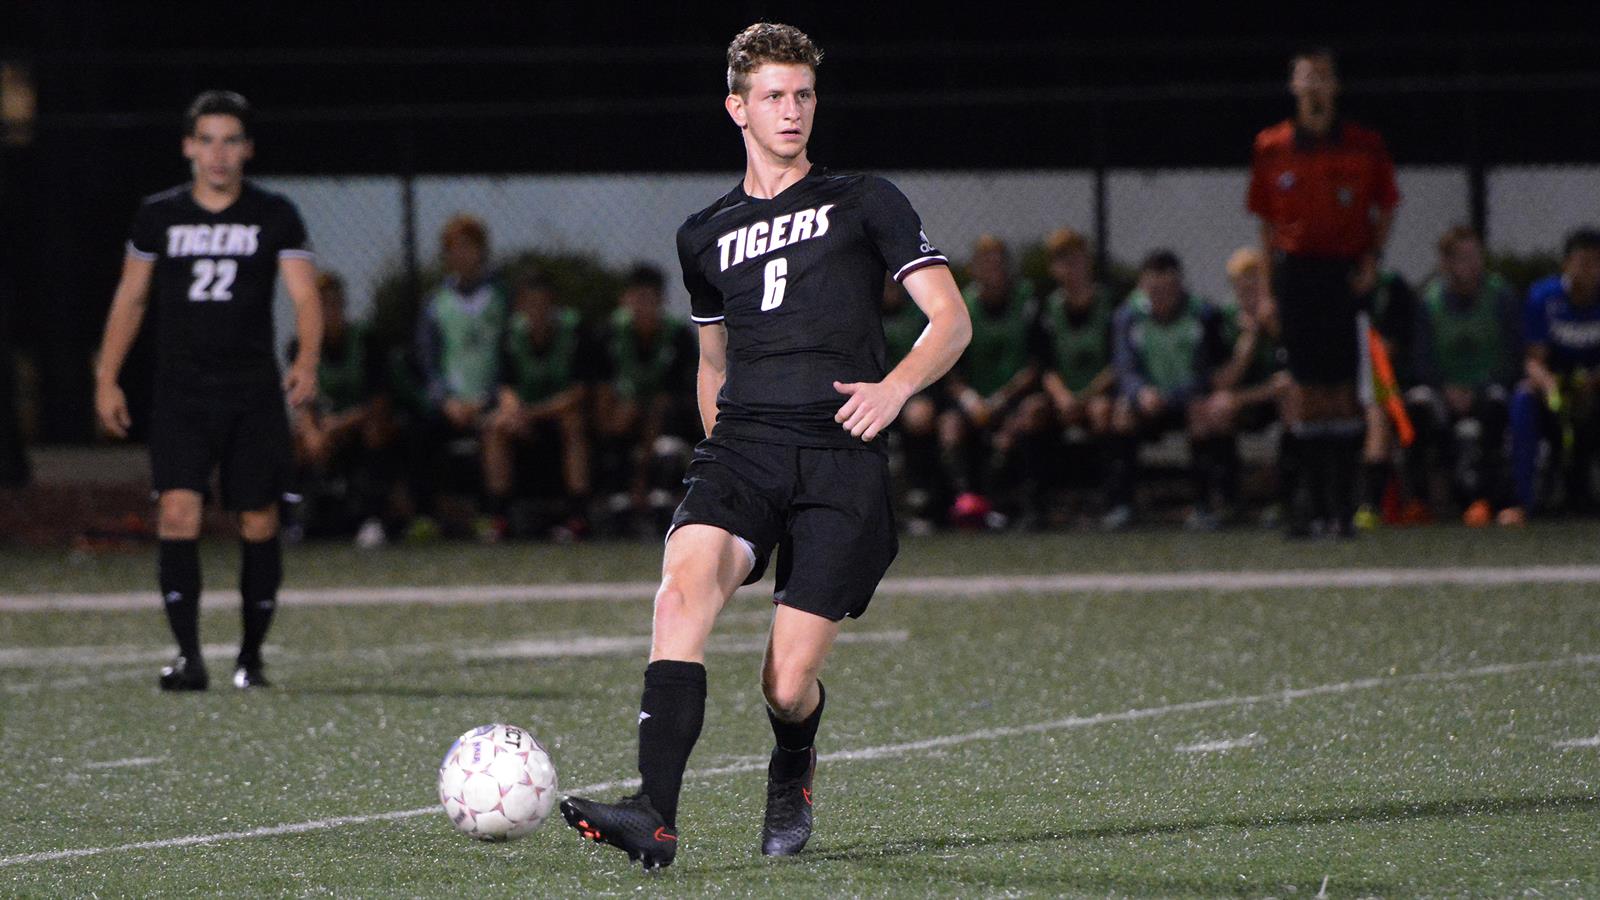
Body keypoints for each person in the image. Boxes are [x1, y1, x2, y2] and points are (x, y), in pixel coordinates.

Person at [559, 22, 970, 869]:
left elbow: (951, 319)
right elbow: (712, 360)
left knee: (785, 686)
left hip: (838, 456)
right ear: (736, 107)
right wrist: (720, 452)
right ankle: (654, 814)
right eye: (775, 96)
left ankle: (793, 761)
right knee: (680, 596)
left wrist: (895, 388)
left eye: (804, 94)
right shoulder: (703, 233)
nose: (792, 111)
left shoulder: (865, 198)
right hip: (744, 448)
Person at [92, 90, 320, 690]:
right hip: (181, 392)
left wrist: (309, 359)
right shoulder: (158, 215)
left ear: (247, 149)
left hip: (251, 392)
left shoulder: (275, 214)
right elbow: (132, 297)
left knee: (258, 519)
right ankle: (189, 657)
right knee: (177, 510)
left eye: (231, 140)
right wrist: (106, 376)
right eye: (208, 139)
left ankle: (250, 656)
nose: (219, 154)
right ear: (189, 146)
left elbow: (304, 294)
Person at [1247, 47, 1399, 537]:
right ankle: (1311, 505)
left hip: (1344, 275)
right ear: (1293, 86)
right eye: (1305, 77)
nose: (1314, 86)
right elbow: (1267, 226)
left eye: (1323, 77)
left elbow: (1386, 204)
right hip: (1298, 277)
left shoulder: (1364, 145)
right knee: (1307, 392)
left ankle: (1345, 507)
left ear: (1335, 87)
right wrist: (1268, 293)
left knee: (1346, 392)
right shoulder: (1271, 146)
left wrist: (1372, 259)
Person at [1102, 250, 1230, 530]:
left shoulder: (1202, 314)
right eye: (1153, 289)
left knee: (1204, 414)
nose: (1160, 296)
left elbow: (1209, 371)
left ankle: (1204, 505)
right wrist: (1141, 393)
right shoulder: (1127, 316)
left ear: (1179, 285)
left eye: (1168, 288)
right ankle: (1122, 504)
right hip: (1147, 401)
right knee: (1122, 413)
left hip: (1187, 400)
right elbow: (1123, 367)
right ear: (1142, 287)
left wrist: (1176, 396)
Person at [1415, 225, 1521, 526]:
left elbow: (1514, 356)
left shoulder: (1500, 296)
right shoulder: (1430, 301)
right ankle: (1425, 501)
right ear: (1446, 263)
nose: (1472, 264)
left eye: (1476, 256)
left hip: (1487, 388)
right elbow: (1421, 361)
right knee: (1419, 408)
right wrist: (1446, 389)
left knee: (1497, 406)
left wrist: (1478, 388)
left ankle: (1491, 499)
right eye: (1463, 257)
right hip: (1444, 391)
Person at [289, 271, 402, 548]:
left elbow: (378, 404)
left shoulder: (366, 341)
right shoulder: (299, 347)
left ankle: (372, 518)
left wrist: (337, 425)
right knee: (297, 441)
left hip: (359, 423)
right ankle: (298, 519)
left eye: (333, 304)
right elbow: (302, 403)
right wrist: (313, 433)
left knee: (375, 432)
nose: (328, 312)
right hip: (325, 427)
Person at [412, 214, 509, 538]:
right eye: (453, 249)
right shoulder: (435, 303)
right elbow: (428, 360)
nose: (461, 255)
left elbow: (507, 354)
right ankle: (425, 515)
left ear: (481, 251)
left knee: (496, 431)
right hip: (450, 403)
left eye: (468, 247)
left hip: (489, 398)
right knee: (420, 432)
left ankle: (491, 516)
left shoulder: (500, 299)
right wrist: (446, 401)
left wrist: (490, 397)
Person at [481, 273, 597, 540]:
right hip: (524, 416)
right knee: (495, 426)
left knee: (574, 424)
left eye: (543, 304)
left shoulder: (573, 333)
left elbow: (578, 392)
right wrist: (514, 411)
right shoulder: (511, 335)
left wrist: (532, 413)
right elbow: (504, 386)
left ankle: (577, 517)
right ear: (521, 307)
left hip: (557, 414)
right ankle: (499, 518)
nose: (538, 311)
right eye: (531, 305)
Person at [591, 263, 698, 535]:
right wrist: (609, 426)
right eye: (637, 298)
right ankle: (615, 504)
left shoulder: (678, 337)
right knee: (611, 432)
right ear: (624, 299)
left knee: (667, 436)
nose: (642, 307)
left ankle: (662, 500)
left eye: (650, 299)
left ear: (661, 300)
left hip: (665, 424)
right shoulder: (609, 335)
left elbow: (675, 397)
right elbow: (601, 391)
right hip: (621, 421)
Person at [941, 235, 1040, 525]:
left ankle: (1006, 503)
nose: (992, 272)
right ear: (974, 270)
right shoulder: (962, 305)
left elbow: (1035, 366)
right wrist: (970, 399)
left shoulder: (1025, 302)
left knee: (1022, 422)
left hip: (1013, 398)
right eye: (985, 265)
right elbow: (948, 366)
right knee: (950, 427)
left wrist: (1001, 398)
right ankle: (963, 501)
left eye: (998, 265)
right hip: (975, 399)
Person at [1505, 227, 1600, 522]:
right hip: (1556, 391)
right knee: (1523, 399)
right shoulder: (1543, 297)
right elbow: (1534, 360)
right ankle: (1523, 502)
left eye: (1598, 263)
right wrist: (1549, 386)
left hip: (1595, 391)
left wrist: (1592, 383)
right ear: (1567, 264)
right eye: (1584, 263)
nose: (1591, 271)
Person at [1193, 247, 1291, 519]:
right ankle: (1224, 500)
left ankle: (1288, 499)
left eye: (1256, 278)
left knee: (1292, 402)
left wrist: (1270, 329)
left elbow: (1289, 380)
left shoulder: (1283, 316)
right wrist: (1248, 340)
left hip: (1268, 400)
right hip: (1240, 402)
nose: (1249, 286)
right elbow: (1221, 382)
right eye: (1242, 280)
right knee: (1210, 409)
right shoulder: (1219, 317)